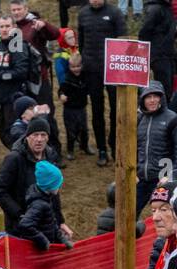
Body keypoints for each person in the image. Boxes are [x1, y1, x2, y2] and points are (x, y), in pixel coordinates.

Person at [0, 115, 59, 234]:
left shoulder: (50, 156)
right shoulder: (14, 159)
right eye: (35, 135)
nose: (39, 139)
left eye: (43, 135)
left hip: (46, 224)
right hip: (20, 227)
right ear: (27, 136)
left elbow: (54, 189)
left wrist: (60, 221)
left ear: (48, 138)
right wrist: (20, 214)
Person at [77, 0, 121, 165]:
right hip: (92, 70)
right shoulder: (83, 14)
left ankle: (115, 144)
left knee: (116, 110)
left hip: (113, 70)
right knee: (97, 110)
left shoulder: (115, 13)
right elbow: (81, 41)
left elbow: (122, 39)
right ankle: (102, 149)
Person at [0, 14, 29, 148]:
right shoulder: (0, 44)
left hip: (15, 97)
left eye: (7, 26)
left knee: (14, 134)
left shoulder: (16, 44)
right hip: (3, 97)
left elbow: (21, 72)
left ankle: (21, 161)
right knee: (4, 134)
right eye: (1, 26)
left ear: (14, 27)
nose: (4, 29)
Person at [135, 79, 177, 210]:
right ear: (142, 100)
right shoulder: (139, 119)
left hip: (162, 179)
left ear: (161, 98)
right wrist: (135, 172)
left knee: (162, 214)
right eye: (148, 97)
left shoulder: (173, 119)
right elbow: (135, 148)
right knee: (131, 210)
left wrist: (169, 175)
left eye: (155, 96)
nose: (152, 100)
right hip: (141, 177)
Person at [140, 0, 177, 97]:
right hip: (159, 55)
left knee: (168, 88)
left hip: (168, 54)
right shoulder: (155, 9)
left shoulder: (167, 8)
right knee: (163, 89)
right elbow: (145, 31)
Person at [58, 53, 89, 160]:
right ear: (69, 67)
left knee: (84, 129)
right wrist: (61, 95)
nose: (76, 69)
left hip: (82, 108)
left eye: (78, 66)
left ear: (82, 65)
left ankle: (84, 146)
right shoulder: (67, 79)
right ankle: (70, 150)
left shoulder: (85, 77)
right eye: (73, 67)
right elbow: (61, 90)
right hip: (69, 109)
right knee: (71, 130)